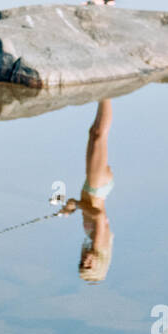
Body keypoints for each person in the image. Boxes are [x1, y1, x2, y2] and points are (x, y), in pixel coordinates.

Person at [57, 100, 115, 281]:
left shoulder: (94, 245)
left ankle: (104, 95)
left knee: (94, 135)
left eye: (82, 264)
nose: (85, 261)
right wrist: (75, 204)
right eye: (89, 266)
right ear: (99, 265)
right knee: (99, 136)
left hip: (95, 187)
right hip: (96, 188)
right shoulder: (99, 246)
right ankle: (107, 94)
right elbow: (98, 216)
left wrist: (74, 207)